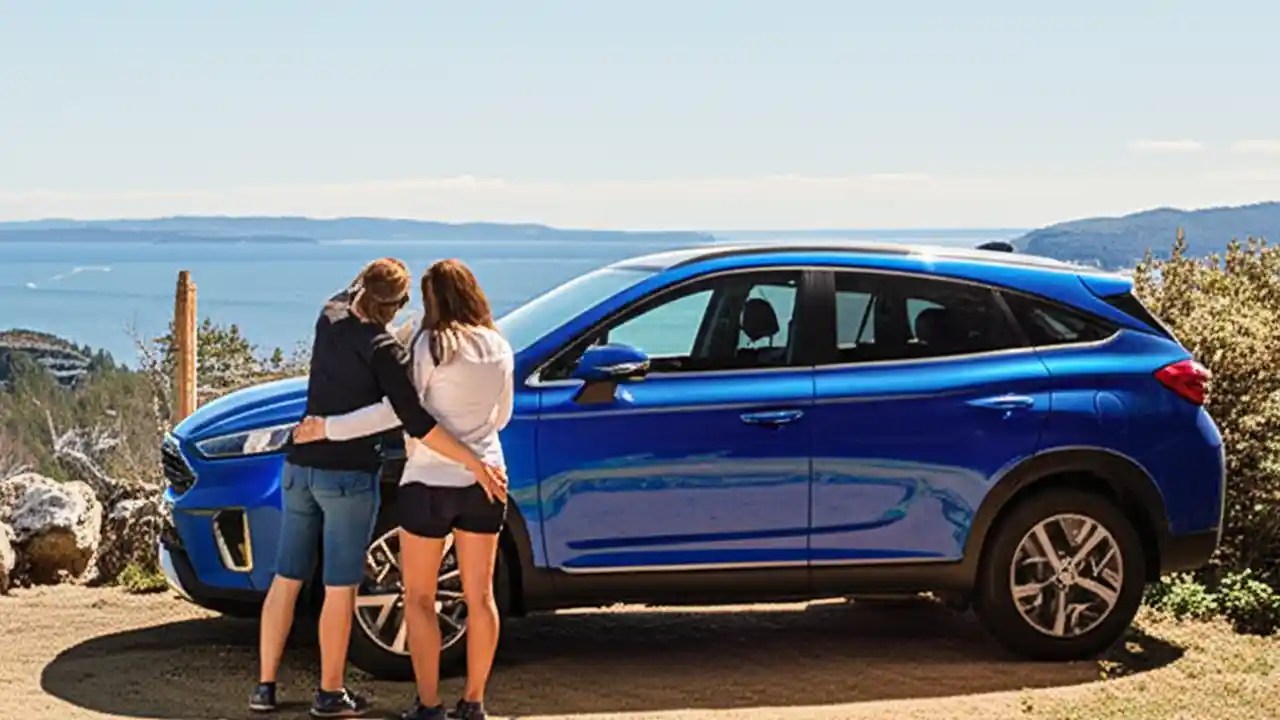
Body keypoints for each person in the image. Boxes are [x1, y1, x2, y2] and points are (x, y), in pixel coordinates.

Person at [251, 258, 507, 719]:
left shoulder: (333, 316)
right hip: (406, 477)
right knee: (353, 588)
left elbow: (401, 411)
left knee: (294, 580)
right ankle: (463, 700)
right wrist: (475, 458)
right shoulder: (422, 349)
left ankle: (267, 687)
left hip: (332, 471)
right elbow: (472, 416)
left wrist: (323, 427)